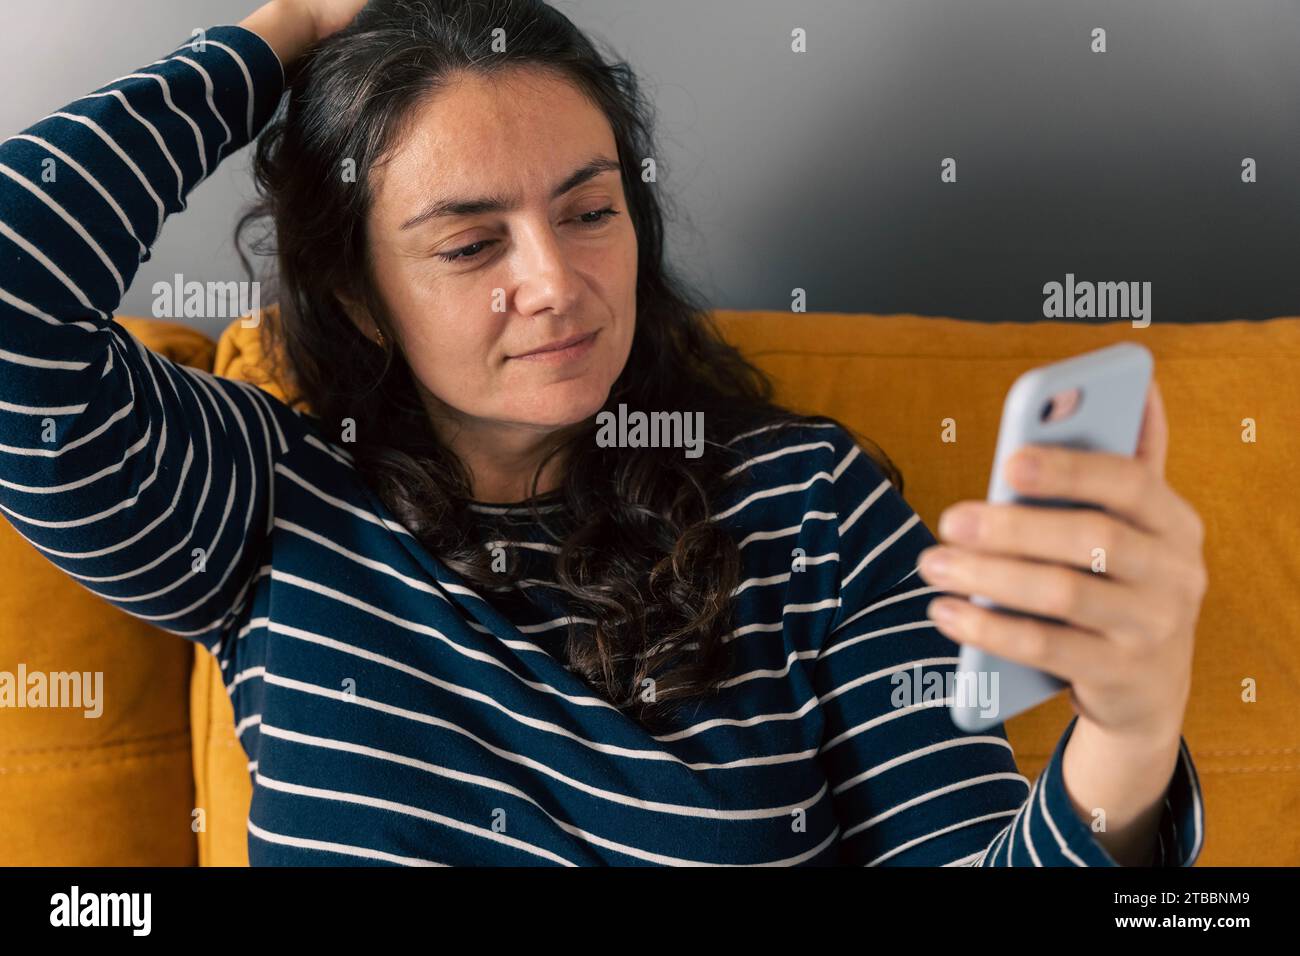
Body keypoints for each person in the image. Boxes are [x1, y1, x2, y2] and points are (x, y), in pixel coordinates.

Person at [0, 0, 1205, 865]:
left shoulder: (807, 505)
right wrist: (284, 34)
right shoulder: (266, 502)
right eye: (471, 244)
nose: (559, 282)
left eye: (588, 209)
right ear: (360, 291)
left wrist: (1128, 735)